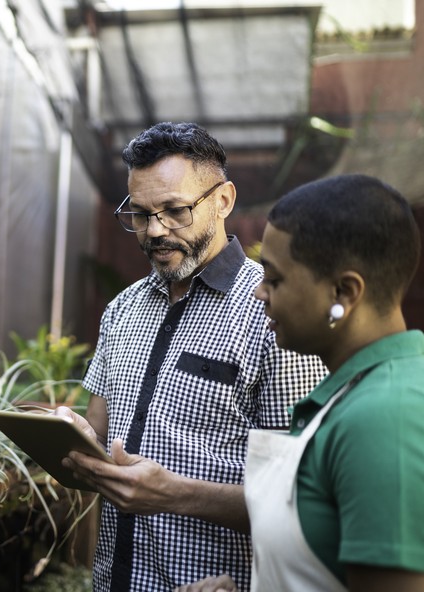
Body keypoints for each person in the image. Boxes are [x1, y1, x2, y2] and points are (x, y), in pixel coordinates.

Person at [54, 121, 327, 591]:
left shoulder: (273, 313)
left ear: (223, 201)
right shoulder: (122, 309)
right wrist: (67, 438)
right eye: (139, 213)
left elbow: (303, 502)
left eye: (174, 210)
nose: (154, 231)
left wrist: (175, 496)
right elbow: (96, 431)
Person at [175, 174, 424, 592]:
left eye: (274, 279)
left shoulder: (384, 417)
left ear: (344, 292)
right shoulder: (353, 393)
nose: (258, 293)